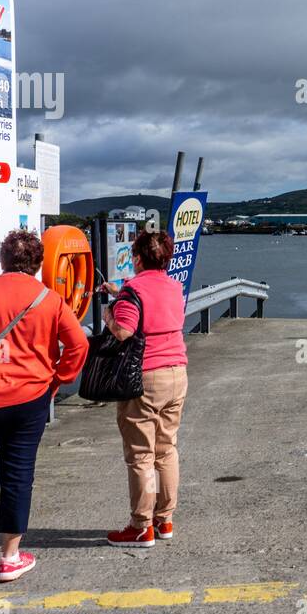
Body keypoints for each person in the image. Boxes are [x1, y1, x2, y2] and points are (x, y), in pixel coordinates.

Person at [0, 229, 89, 583]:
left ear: (2, 260)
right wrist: (58, 379)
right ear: (38, 264)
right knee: (18, 474)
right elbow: (79, 345)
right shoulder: (48, 298)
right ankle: (9, 558)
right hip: (30, 399)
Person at [100, 231, 188, 548]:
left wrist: (109, 312)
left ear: (136, 257)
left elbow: (124, 330)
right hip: (177, 373)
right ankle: (165, 520)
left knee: (141, 455)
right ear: (166, 258)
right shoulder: (174, 286)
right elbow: (149, 299)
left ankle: (140, 526)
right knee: (166, 450)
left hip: (145, 377)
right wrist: (119, 291)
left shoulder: (134, 290)